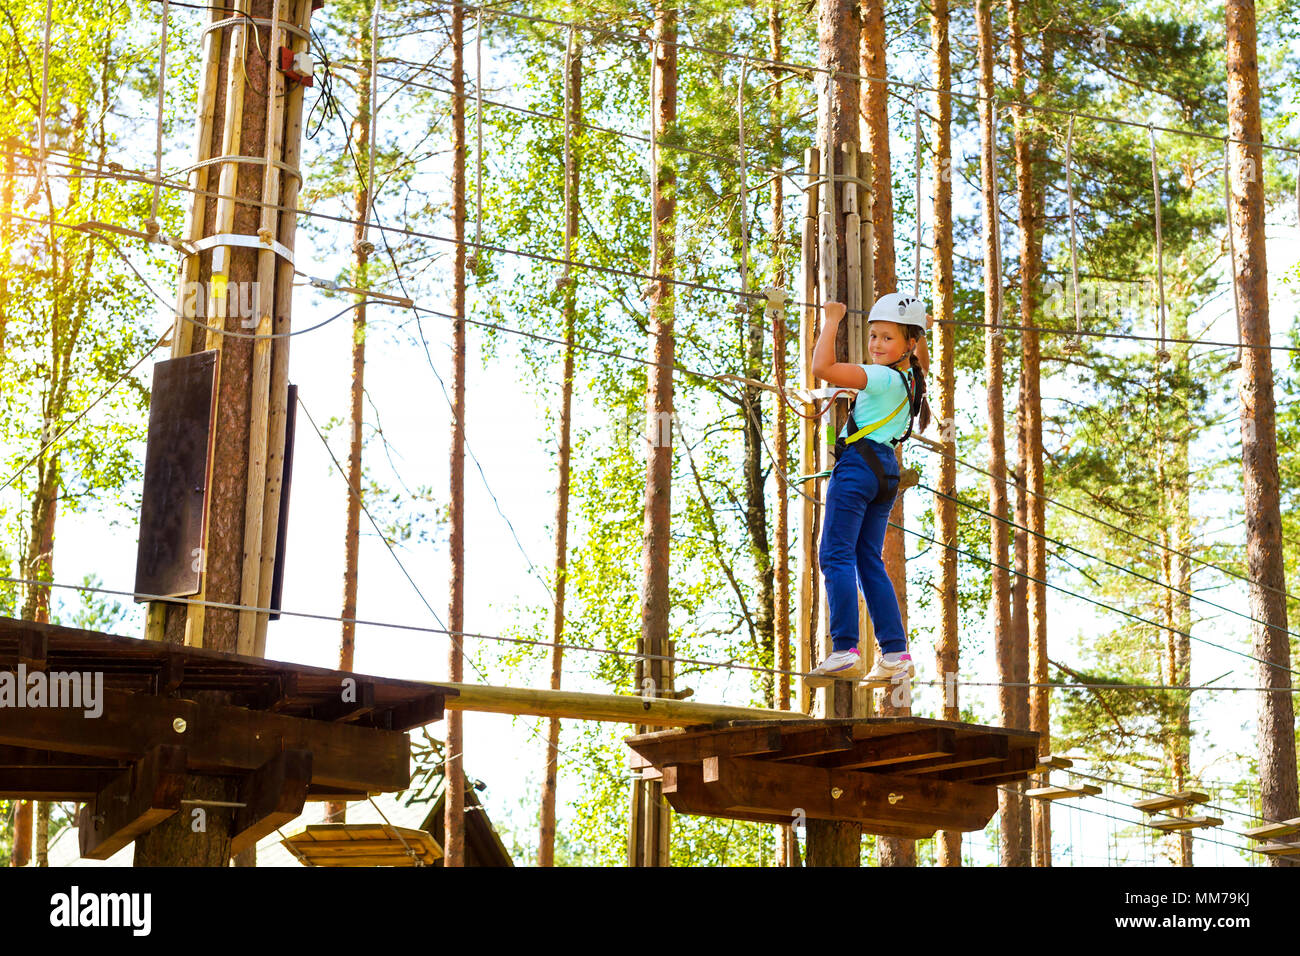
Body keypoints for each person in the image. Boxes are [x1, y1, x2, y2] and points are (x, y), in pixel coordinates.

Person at [805, 292, 932, 687]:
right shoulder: (913, 378)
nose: (876, 344)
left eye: (887, 338)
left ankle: (844, 649)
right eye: (873, 336)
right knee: (868, 560)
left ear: (909, 343)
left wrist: (831, 318)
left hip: (859, 469)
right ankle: (895, 653)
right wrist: (918, 327)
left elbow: (822, 367)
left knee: (834, 556)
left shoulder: (879, 377)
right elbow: (922, 350)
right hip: (886, 474)